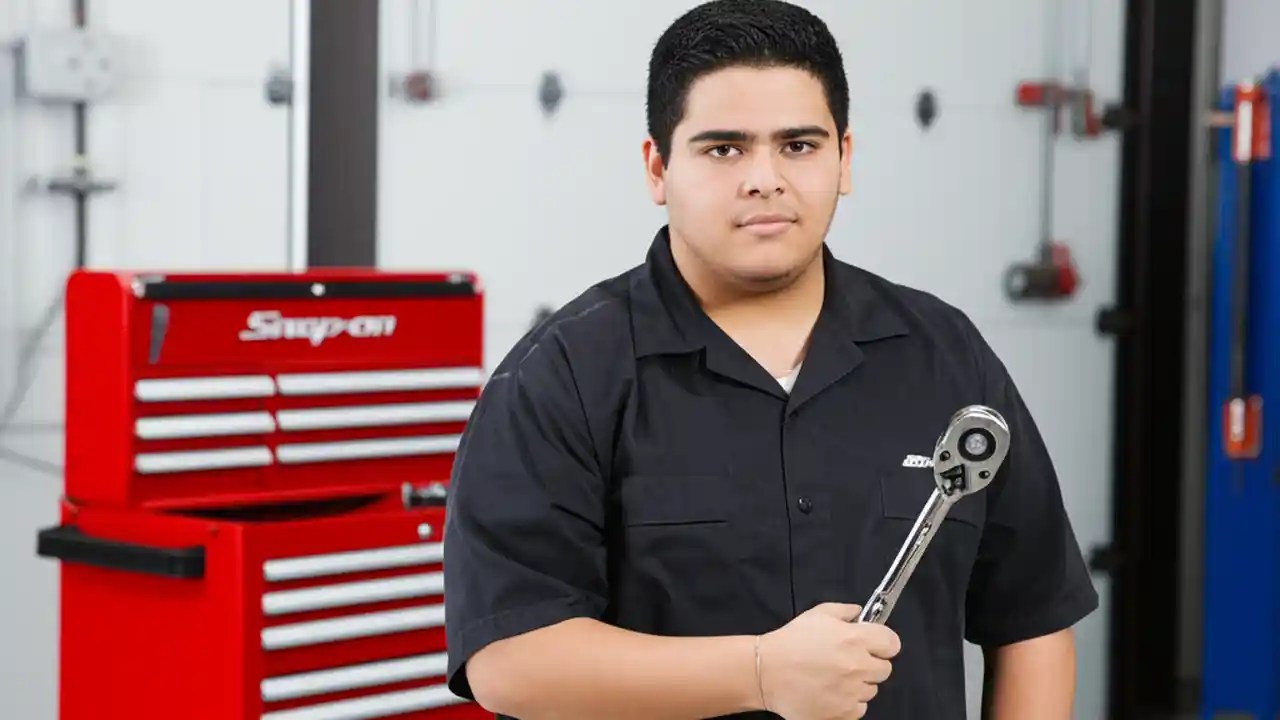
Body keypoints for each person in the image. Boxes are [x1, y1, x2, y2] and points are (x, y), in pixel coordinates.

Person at [441, 1, 1099, 718]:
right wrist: (759, 672)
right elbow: (509, 659)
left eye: (798, 145)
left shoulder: (945, 354)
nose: (765, 178)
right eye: (724, 149)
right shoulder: (562, 376)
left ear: (844, 159)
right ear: (657, 168)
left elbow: (1032, 619)